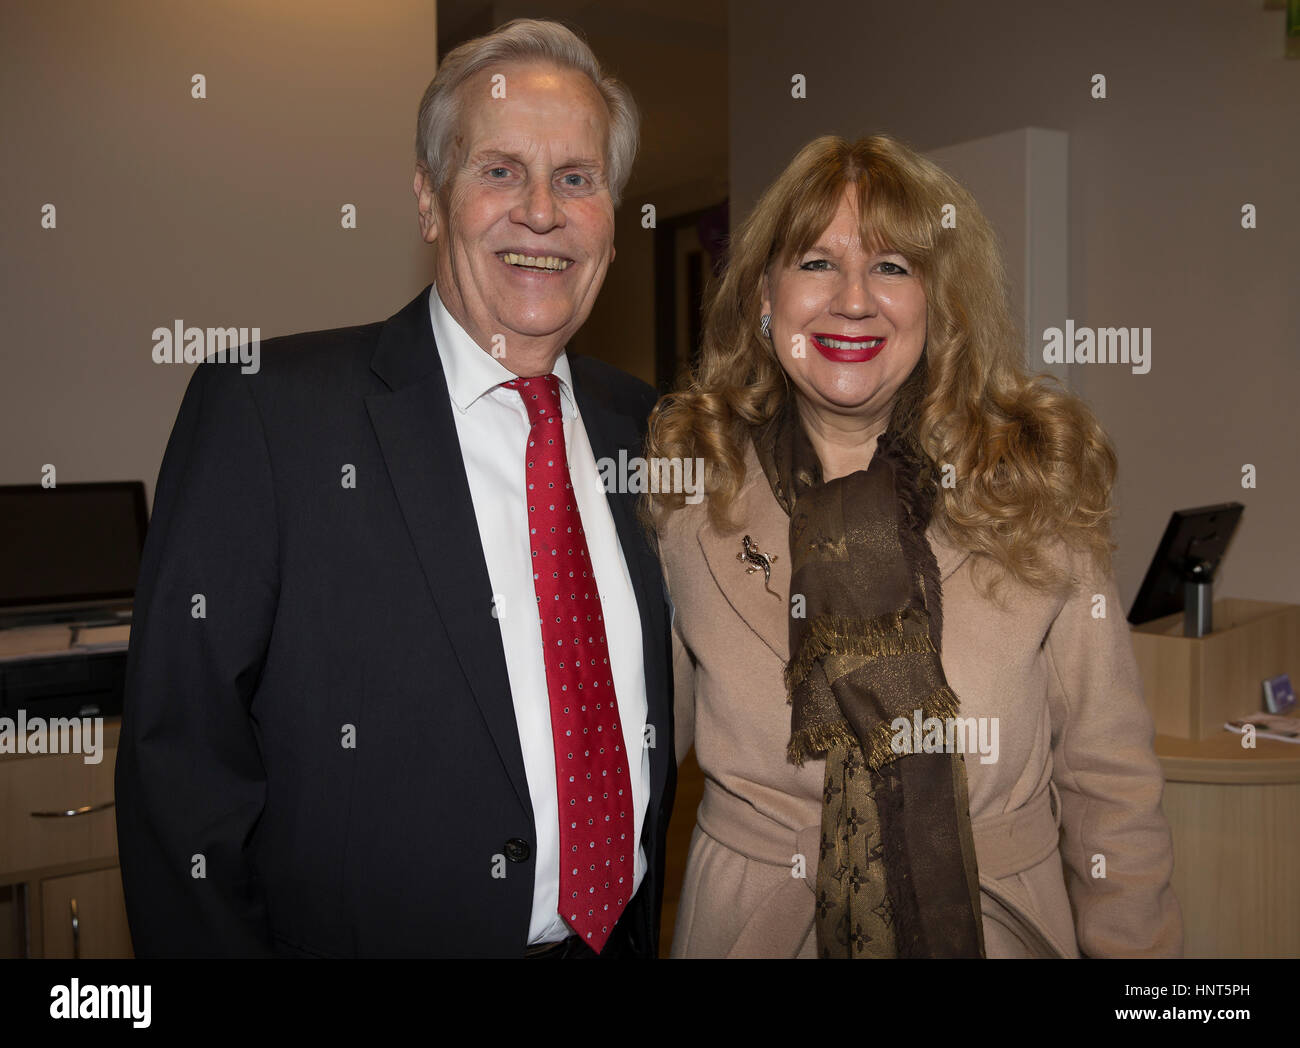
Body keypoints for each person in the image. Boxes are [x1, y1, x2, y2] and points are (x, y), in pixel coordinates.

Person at [116, 18, 675, 959]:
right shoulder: (268, 416)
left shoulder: (651, 431)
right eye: (499, 170)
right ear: (429, 199)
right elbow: (180, 776)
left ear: (612, 222)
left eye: (577, 179)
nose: (541, 211)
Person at [646, 134, 1182, 958]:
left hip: (1001, 927)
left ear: (939, 302)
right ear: (765, 297)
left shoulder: (1032, 485)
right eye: (817, 263)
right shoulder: (690, 490)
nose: (853, 300)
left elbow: (1108, 784)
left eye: (893, 267)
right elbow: (637, 760)